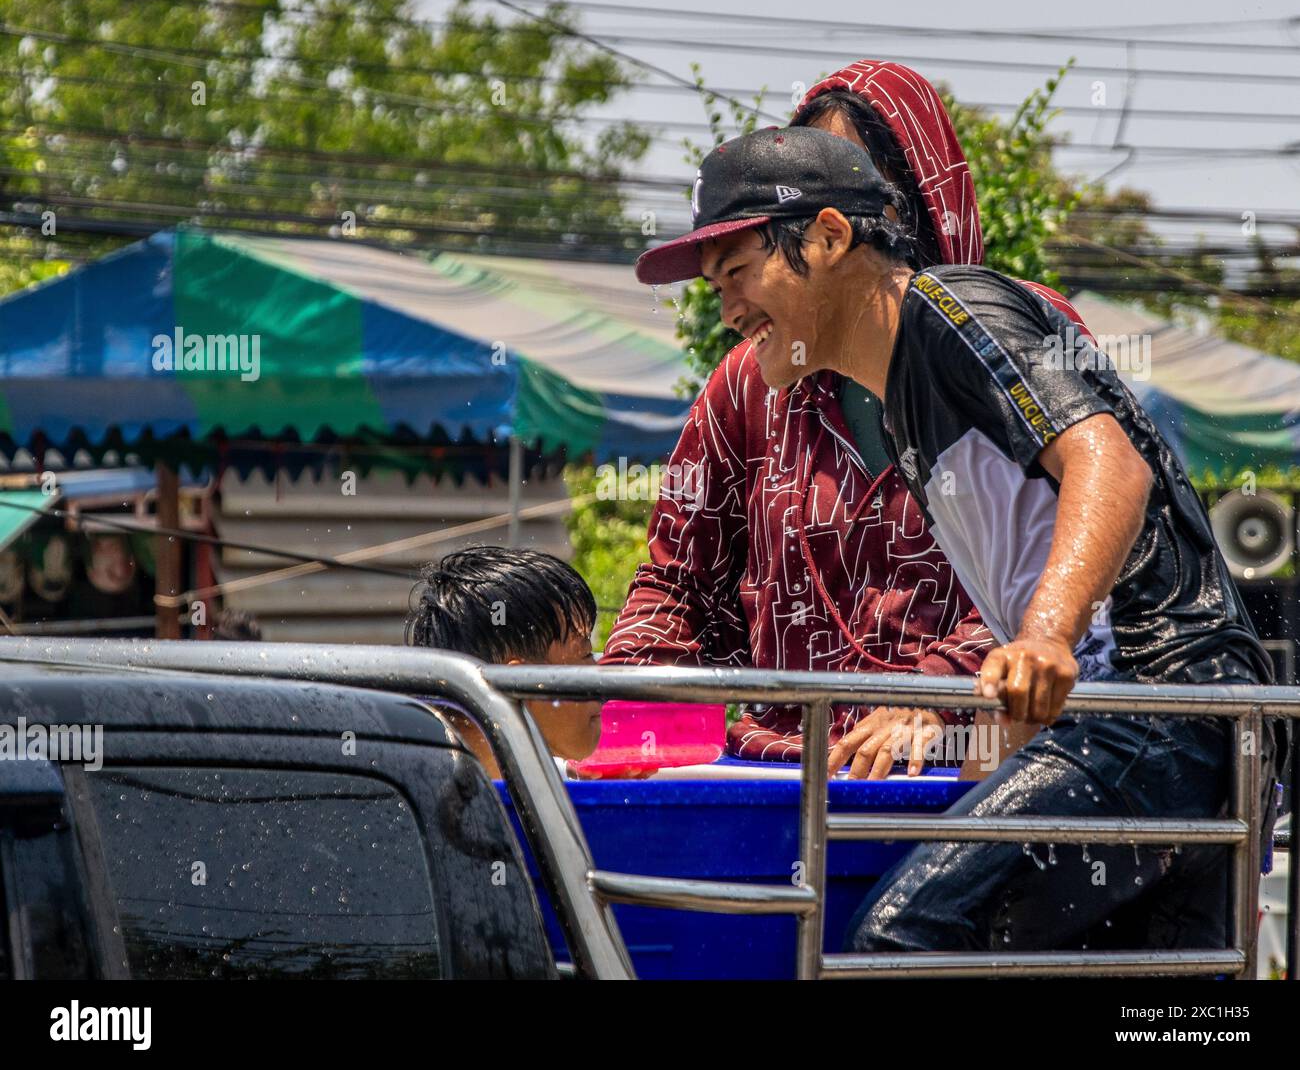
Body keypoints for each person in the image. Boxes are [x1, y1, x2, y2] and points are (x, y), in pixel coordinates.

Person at [632, 125, 1283, 952]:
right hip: (1163, 731)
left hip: (1166, 710)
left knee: (900, 946)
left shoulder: (954, 311)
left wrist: (1046, 635)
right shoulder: (900, 400)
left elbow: (1111, 464)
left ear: (830, 236)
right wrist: (969, 726)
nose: (725, 312)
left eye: (737, 273)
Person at [603, 60, 1096, 778]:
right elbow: (680, 581)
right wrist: (624, 717)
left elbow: (1070, 539)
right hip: (782, 773)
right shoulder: (751, 379)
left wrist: (937, 692)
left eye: (864, 186)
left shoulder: (1002, 337)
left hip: (972, 768)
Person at [404, 546, 601, 777]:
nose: (598, 674)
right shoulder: (549, 803)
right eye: (586, 654)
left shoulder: (419, 784)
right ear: (522, 687)